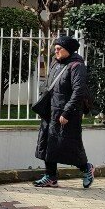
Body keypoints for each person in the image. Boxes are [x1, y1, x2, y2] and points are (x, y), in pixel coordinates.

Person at [33, 35, 96, 189]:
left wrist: (67, 112)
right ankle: (51, 177)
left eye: (59, 48)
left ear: (68, 49)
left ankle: (87, 168)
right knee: (47, 144)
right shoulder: (55, 63)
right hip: (51, 111)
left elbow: (78, 92)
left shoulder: (76, 66)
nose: (56, 51)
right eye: (55, 49)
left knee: (69, 146)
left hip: (67, 114)